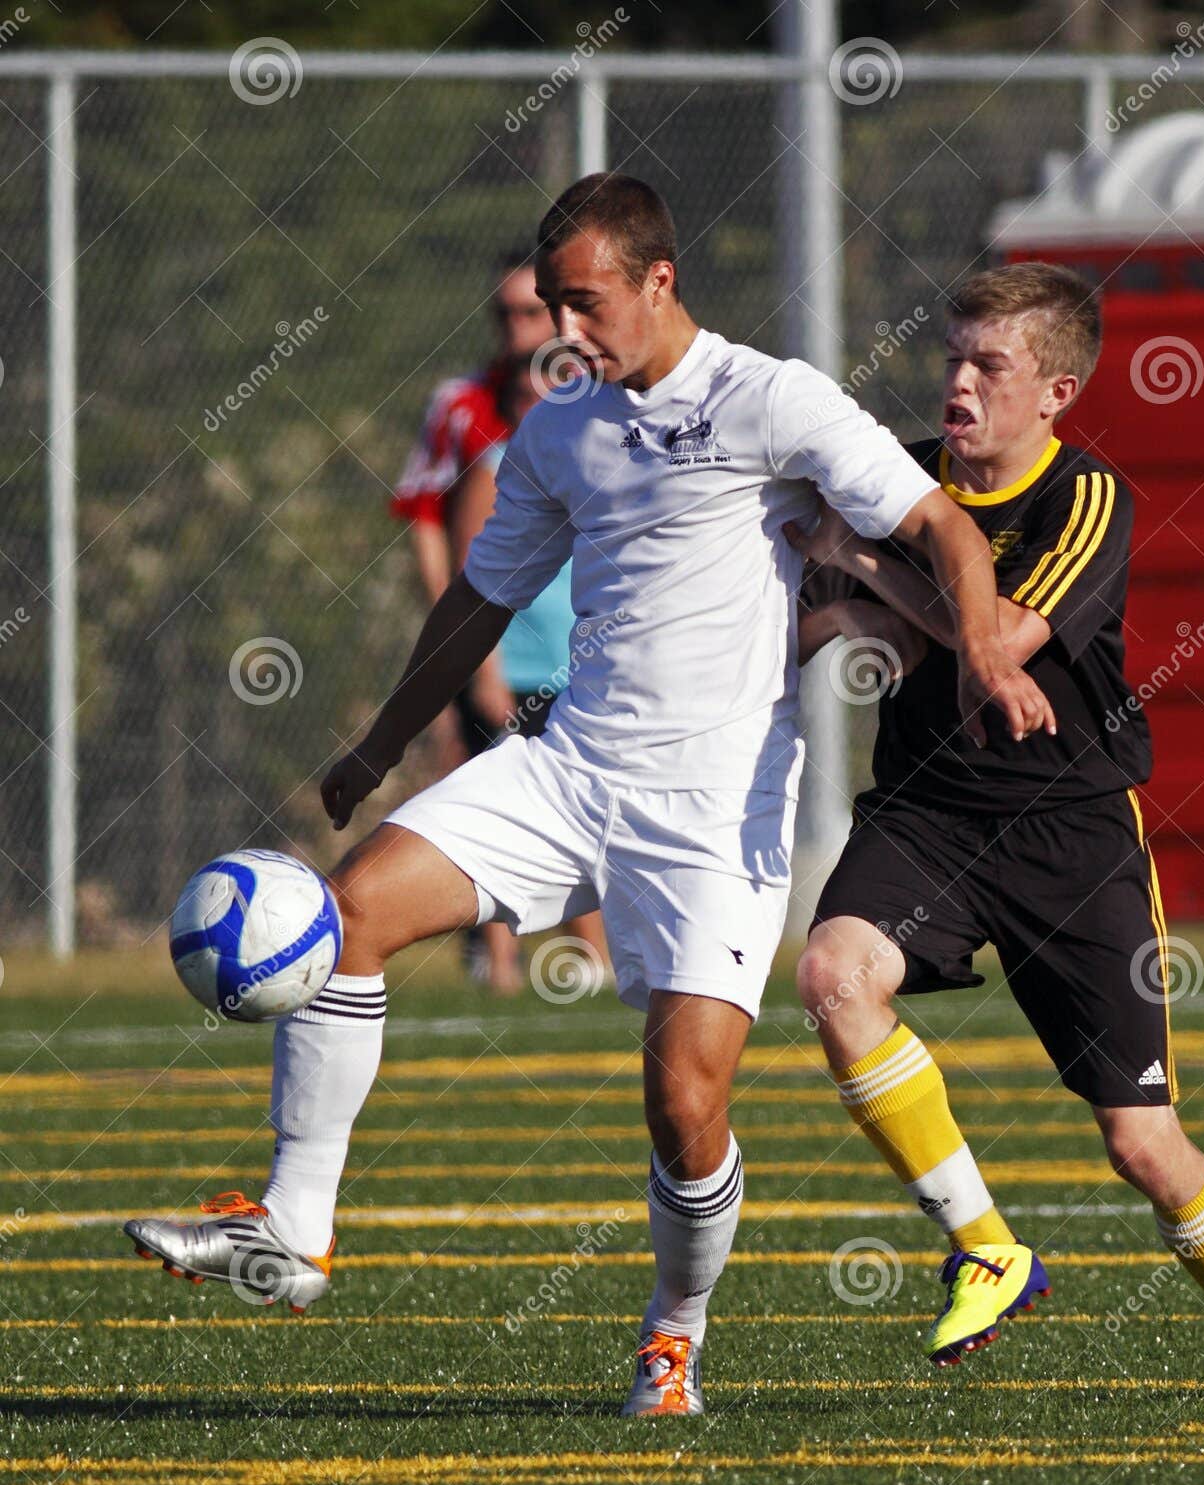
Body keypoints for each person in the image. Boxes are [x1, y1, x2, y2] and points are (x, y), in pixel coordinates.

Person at [124, 175, 1053, 1419]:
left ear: (659, 281)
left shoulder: (769, 398)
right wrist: (381, 746)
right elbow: (478, 602)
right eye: (555, 304)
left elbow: (947, 527)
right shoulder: (562, 430)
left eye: (587, 301)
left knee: (684, 1101)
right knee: (348, 912)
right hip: (567, 767)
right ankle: (295, 1227)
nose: (568, 329)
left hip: (713, 810)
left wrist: (986, 648)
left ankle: (673, 1335)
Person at [788, 261, 1204, 1403]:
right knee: (833, 973)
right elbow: (844, 613)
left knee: (1141, 1143)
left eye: (993, 364)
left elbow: (1001, 636)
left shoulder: (1085, 498)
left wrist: (861, 565)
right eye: (954, 357)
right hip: (928, 811)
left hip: (1070, 832)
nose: (962, 384)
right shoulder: (907, 477)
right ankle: (986, 1244)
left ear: (1057, 392)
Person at [393, 253, 553, 988]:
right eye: (504, 315)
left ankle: (595, 958)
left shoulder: (597, 399)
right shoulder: (462, 406)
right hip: (488, 637)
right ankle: (500, 964)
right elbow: (428, 517)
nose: (516, 332)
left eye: (531, 313)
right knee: (484, 784)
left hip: (575, 646)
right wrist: (460, 636)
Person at [451, 358, 609, 993]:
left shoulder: (592, 466)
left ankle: (592, 963)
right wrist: (485, 673)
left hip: (572, 668)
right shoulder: (492, 470)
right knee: (495, 815)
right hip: (511, 672)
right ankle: (504, 968)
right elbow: (473, 581)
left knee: (584, 817)